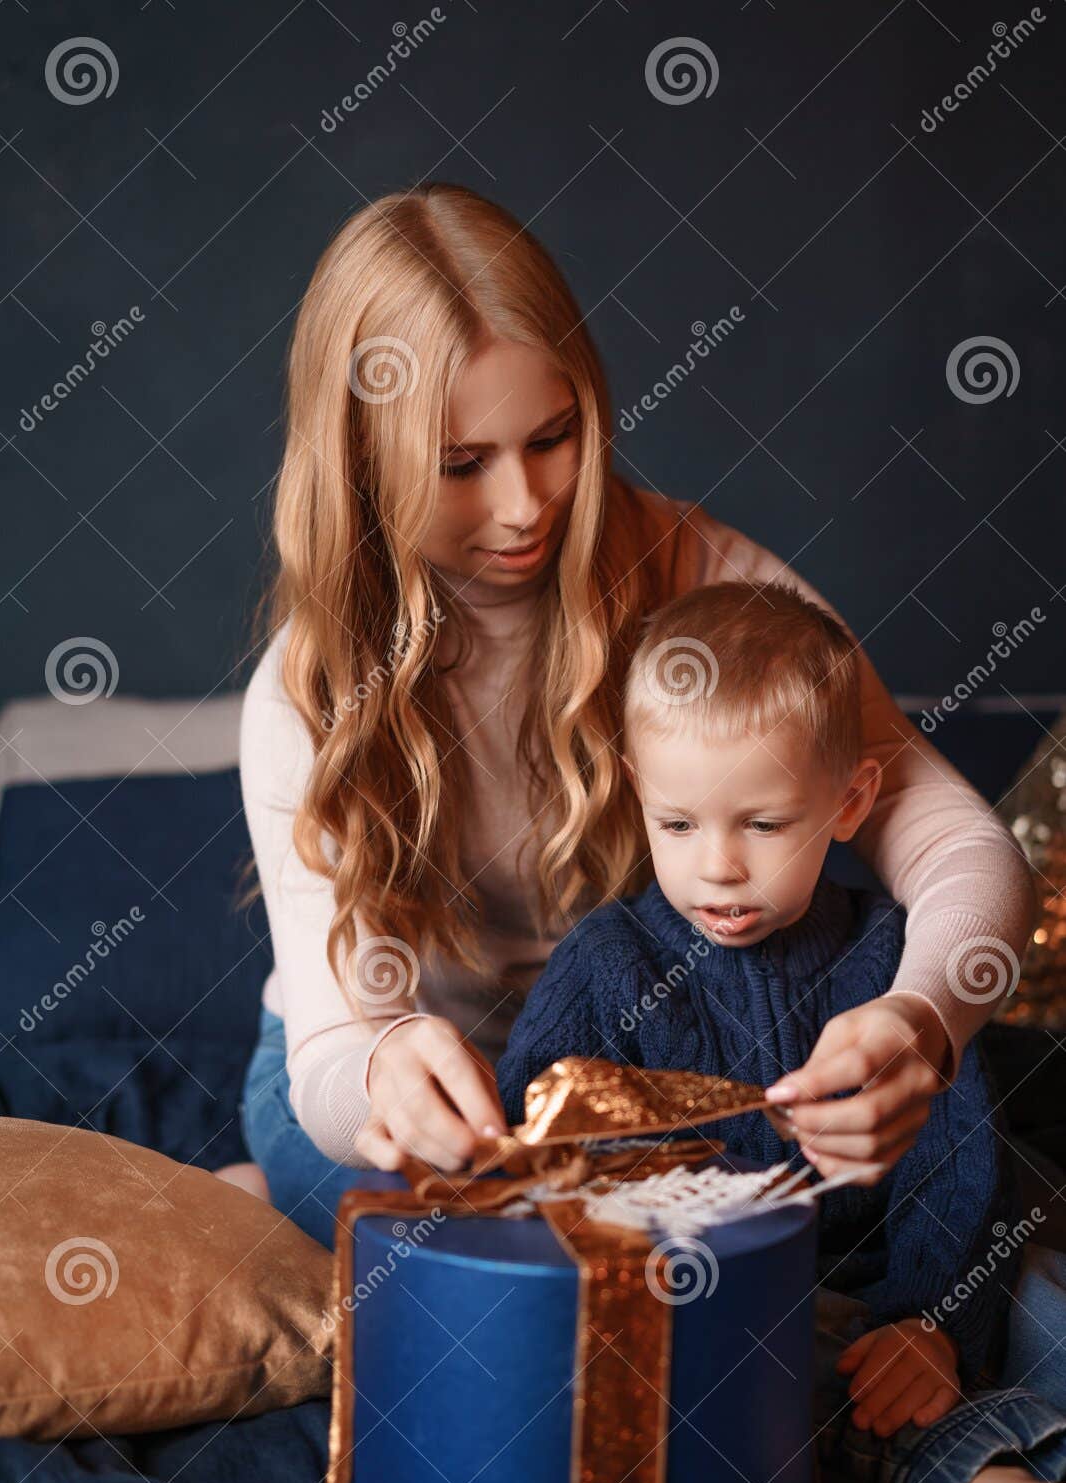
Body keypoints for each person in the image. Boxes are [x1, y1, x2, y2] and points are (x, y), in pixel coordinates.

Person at [221, 180, 1035, 1245]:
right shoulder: (305, 687)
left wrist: (922, 1017)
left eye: (552, 437)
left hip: (639, 1071)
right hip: (374, 1099)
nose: (523, 507)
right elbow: (335, 1044)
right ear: (361, 462)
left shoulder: (694, 571)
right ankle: (262, 1193)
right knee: (524, 1276)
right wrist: (377, 1071)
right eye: (460, 466)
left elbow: (957, 841)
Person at [493, 580, 1066, 1483]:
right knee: (780, 1385)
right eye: (676, 823)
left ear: (847, 802)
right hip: (711, 1303)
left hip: (902, 1275)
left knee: (1041, 1310)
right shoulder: (603, 963)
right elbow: (535, 1141)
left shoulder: (891, 955)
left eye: (762, 823)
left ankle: (970, 1396)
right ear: (635, 790)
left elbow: (955, 1166)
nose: (716, 867)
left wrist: (932, 1321)